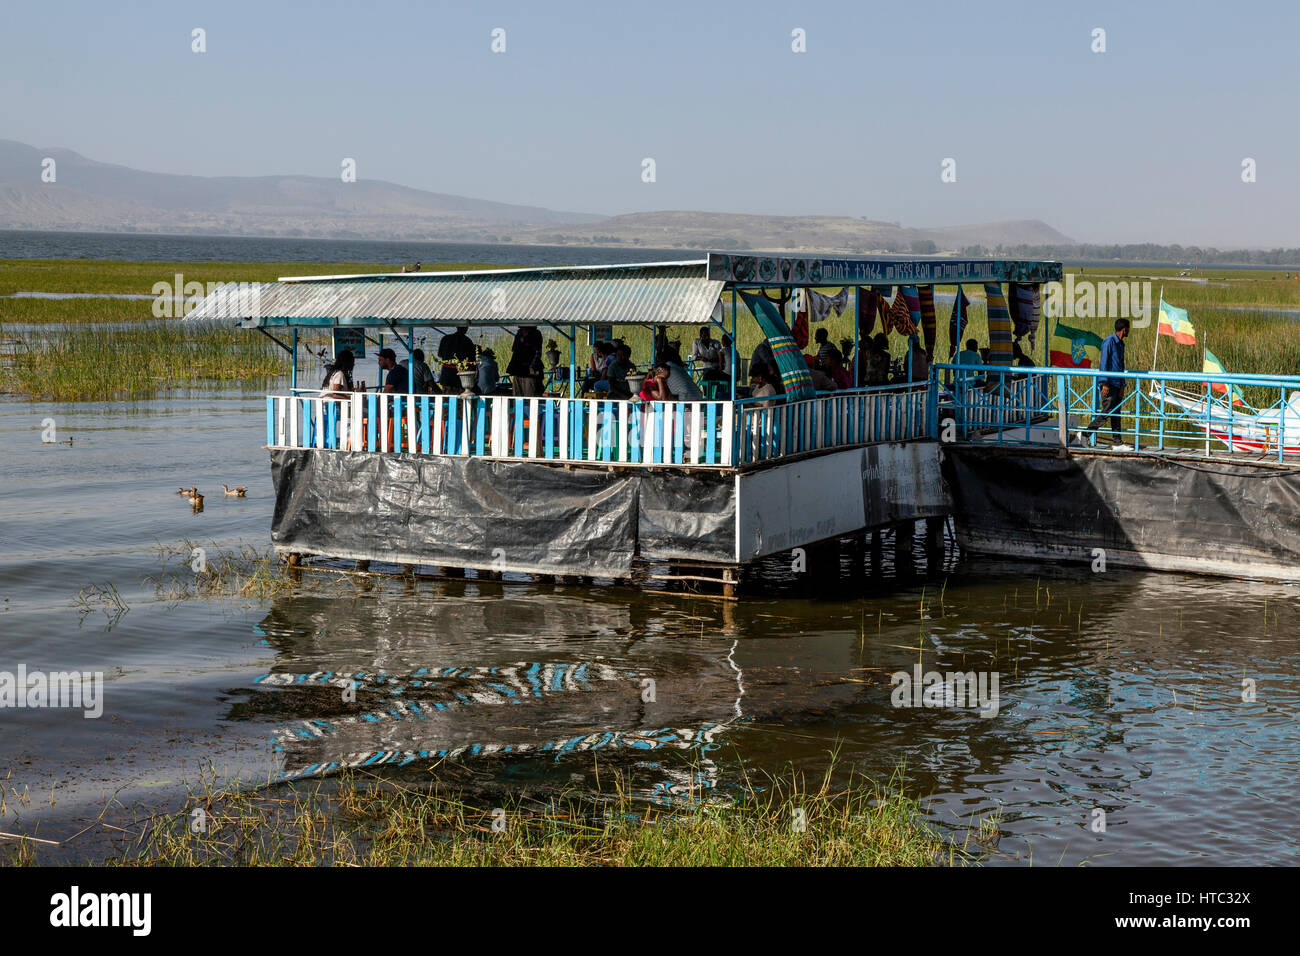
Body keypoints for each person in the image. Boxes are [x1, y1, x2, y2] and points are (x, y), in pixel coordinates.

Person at [1077, 318, 1131, 447]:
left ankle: (1117, 442)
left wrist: (1122, 385)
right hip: (1109, 383)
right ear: (1124, 329)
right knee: (1107, 412)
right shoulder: (1109, 342)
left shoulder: (1121, 344)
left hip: (1117, 384)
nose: (1129, 331)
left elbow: (1120, 366)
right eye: (1128, 329)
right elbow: (1104, 362)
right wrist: (1104, 383)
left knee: (1116, 413)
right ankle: (1085, 434)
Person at [437, 325, 476, 391]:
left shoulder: (445, 338)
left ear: (456, 327)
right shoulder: (467, 341)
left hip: (446, 374)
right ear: (466, 328)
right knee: (458, 397)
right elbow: (471, 361)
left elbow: (439, 355)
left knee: (446, 397)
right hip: (459, 376)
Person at [508, 325, 543, 396]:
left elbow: (537, 352)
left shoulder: (536, 333)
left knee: (530, 395)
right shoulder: (519, 334)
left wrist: (532, 366)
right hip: (518, 370)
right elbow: (514, 349)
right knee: (517, 395)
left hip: (530, 371)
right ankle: (517, 406)